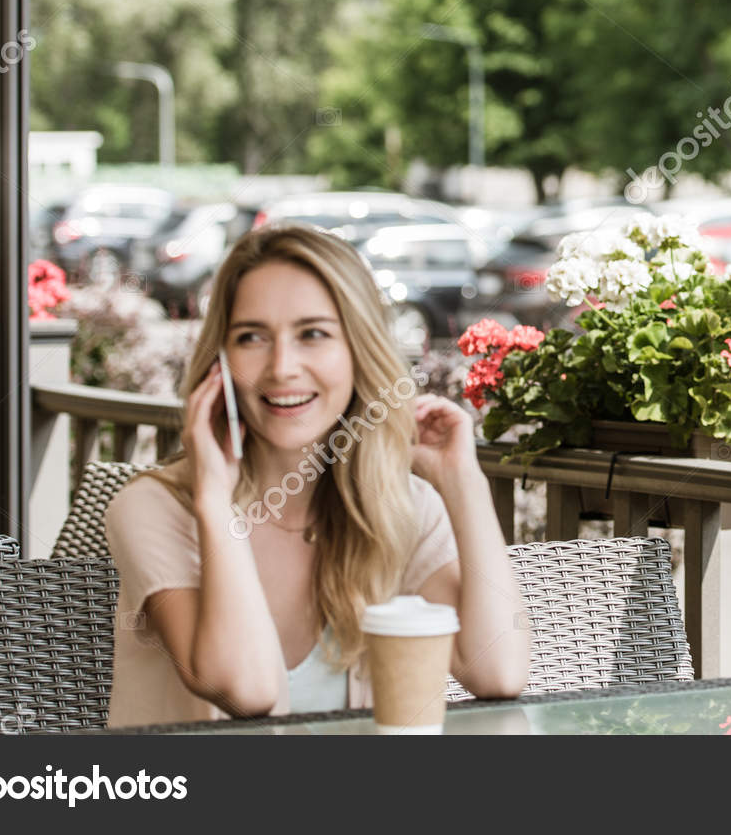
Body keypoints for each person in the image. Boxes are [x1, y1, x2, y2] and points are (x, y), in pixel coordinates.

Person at [105, 223, 529, 726]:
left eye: (313, 334)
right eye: (251, 337)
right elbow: (249, 691)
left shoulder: (398, 507)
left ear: (358, 350)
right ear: (220, 364)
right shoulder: (156, 508)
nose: (282, 367)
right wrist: (216, 501)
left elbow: (498, 671)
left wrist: (464, 484)